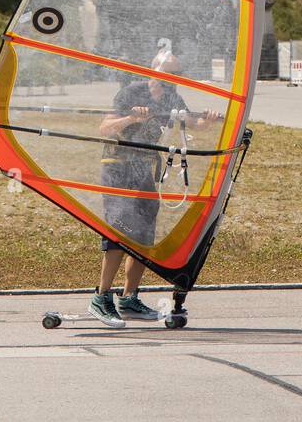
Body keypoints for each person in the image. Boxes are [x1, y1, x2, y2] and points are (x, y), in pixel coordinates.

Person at [88, 50, 220, 327]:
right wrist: (131, 120)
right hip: (117, 167)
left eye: (177, 75)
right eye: (168, 74)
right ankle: (101, 297)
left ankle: (128, 299)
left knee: (144, 234)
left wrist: (206, 121)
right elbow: (104, 128)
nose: (172, 80)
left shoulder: (173, 96)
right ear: (153, 71)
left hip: (144, 170)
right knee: (119, 232)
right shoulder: (131, 92)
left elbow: (192, 122)